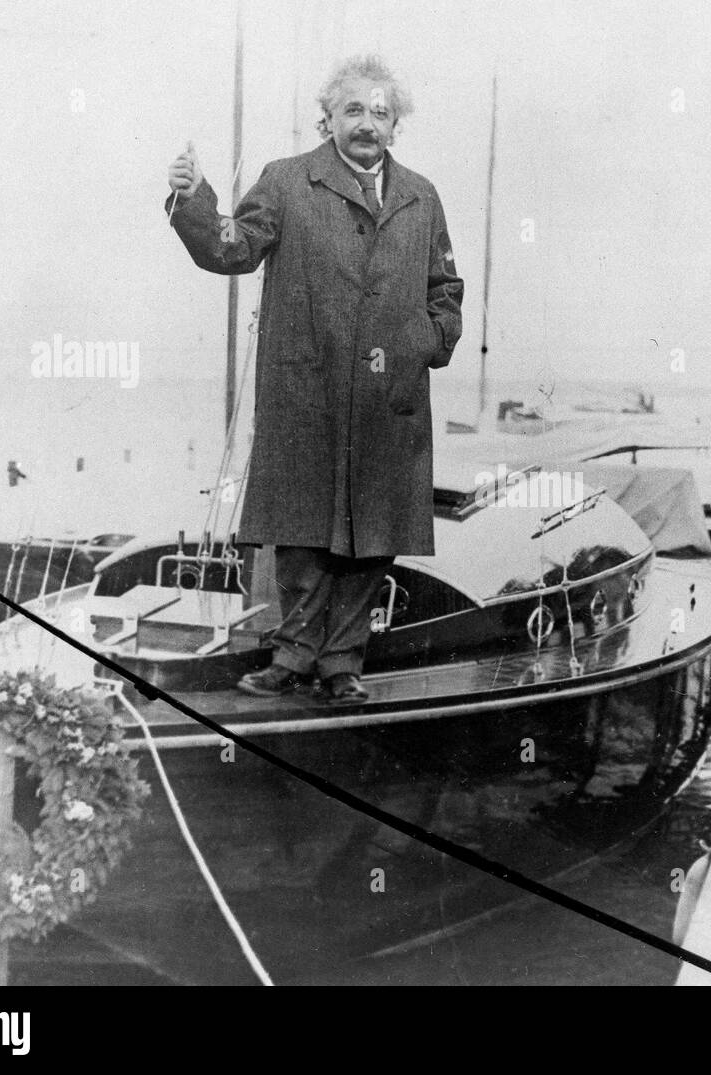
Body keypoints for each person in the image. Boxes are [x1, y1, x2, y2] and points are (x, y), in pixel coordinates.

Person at [165, 55, 463, 701]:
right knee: (301, 530)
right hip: (306, 387)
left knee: (372, 536)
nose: (366, 123)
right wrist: (193, 198)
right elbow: (231, 247)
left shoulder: (421, 194)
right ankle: (294, 655)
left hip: (390, 395)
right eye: (353, 109)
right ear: (325, 117)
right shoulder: (287, 181)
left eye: (380, 112)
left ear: (396, 125)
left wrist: (427, 342)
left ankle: (342, 664)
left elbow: (445, 286)